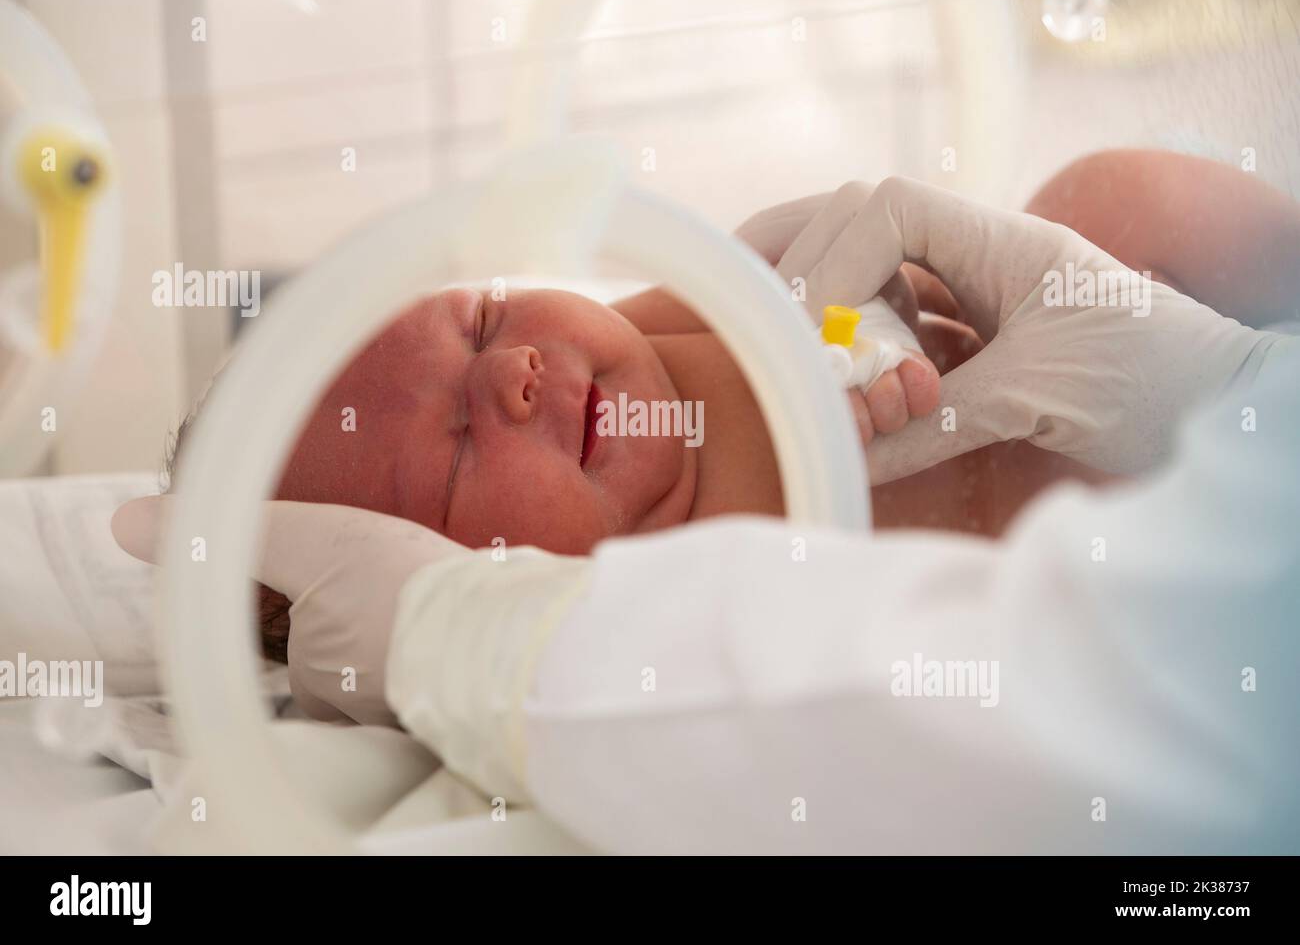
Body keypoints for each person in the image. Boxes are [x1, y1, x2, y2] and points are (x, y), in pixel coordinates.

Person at [113, 173, 1298, 852]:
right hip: (1146, 598)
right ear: (439, 563)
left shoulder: (687, 302)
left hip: (1128, 401)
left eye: (479, 321)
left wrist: (1219, 371)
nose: (514, 375)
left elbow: (851, 274)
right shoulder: (668, 621)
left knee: (1107, 196)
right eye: (458, 456)